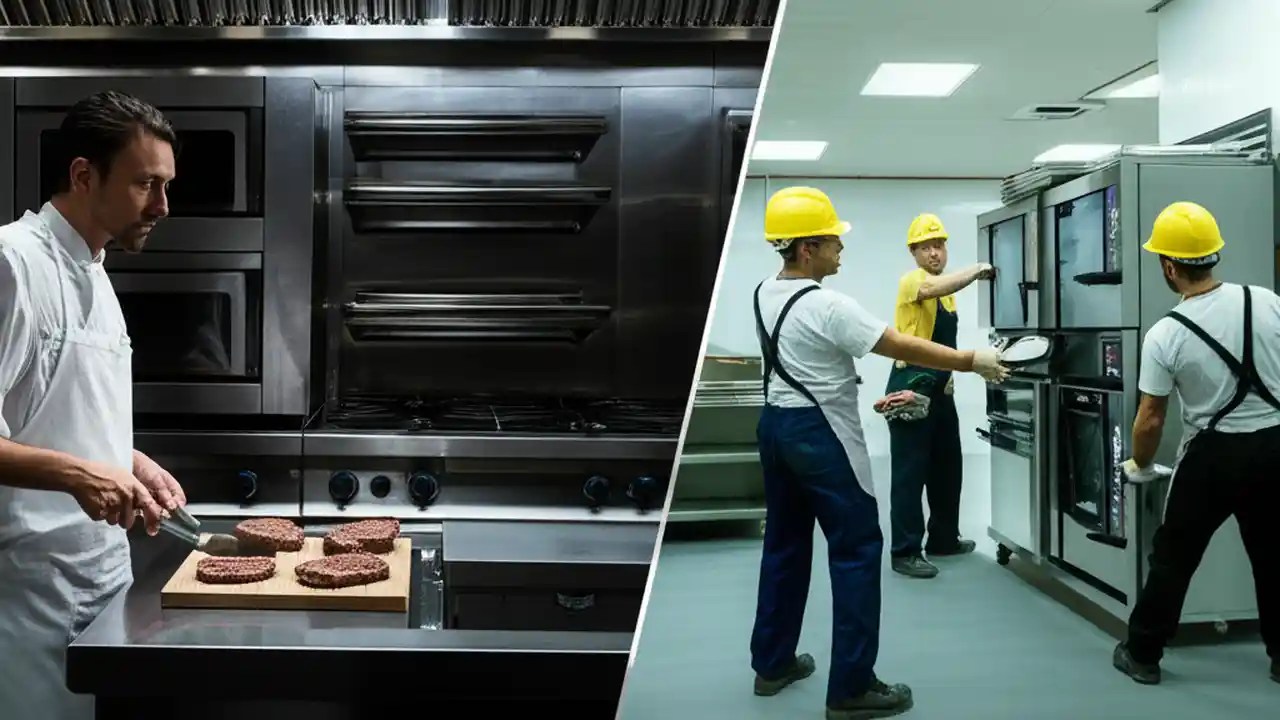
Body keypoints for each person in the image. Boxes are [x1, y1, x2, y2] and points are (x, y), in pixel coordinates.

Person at [748, 187, 1009, 719]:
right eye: (832, 242)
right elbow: (901, 345)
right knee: (858, 547)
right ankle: (852, 686)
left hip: (774, 426)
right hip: (821, 434)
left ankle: (772, 664)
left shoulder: (763, 291)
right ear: (805, 249)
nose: (841, 250)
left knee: (785, 544)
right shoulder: (828, 304)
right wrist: (971, 359)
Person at [0, 90, 188, 720]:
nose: (163, 206)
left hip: (104, 582)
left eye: (166, 186)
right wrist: (80, 473)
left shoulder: (98, 274)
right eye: (147, 184)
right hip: (26, 594)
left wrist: (123, 458)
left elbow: (43, 407)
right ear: (84, 174)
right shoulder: (13, 263)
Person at [1110, 201, 1279, 687]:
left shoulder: (1165, 334)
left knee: (1174, 558)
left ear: (1168, 265)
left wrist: (1139, 464)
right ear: (1214, 254)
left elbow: (1150, 418)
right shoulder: (1266, 301)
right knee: (1274, 556)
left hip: (1212, 458)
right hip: (1274, 448)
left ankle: (1142, 654)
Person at [885, 213, 994, 579]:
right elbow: (937, 288)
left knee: (948, 467)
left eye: (939, 245)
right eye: (926, 247)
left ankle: (944, 538)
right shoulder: (914, 282)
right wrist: (978, 269)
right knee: (909, 472)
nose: (934, 253)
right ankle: (905, 551)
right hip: (911, 385)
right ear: (914, 253)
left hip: (941, 388)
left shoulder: (949, 298)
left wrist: (949, 379)